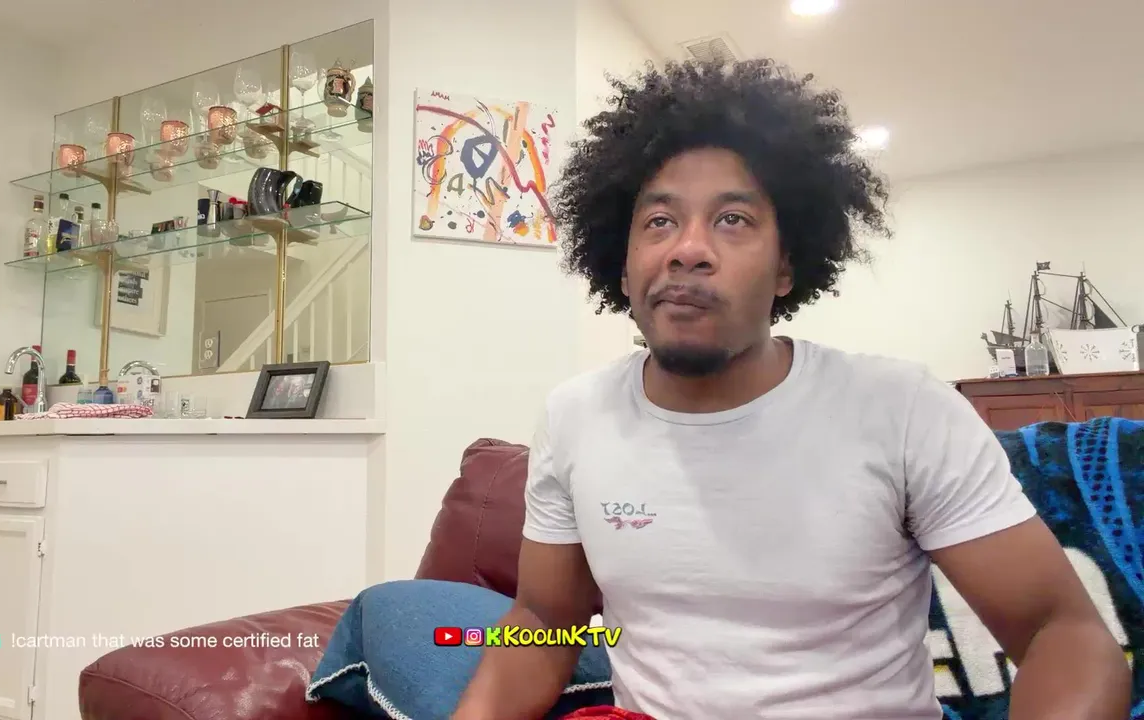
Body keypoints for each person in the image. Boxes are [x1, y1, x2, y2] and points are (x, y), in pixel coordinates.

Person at [452, 58, 1129, 720]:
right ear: (623, 267)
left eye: (732, 219)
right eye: (659, 221)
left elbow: (1062, 636)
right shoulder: (574, 417)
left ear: (785, 267)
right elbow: (544, 620)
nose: (688, 249)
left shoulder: (902, 409)